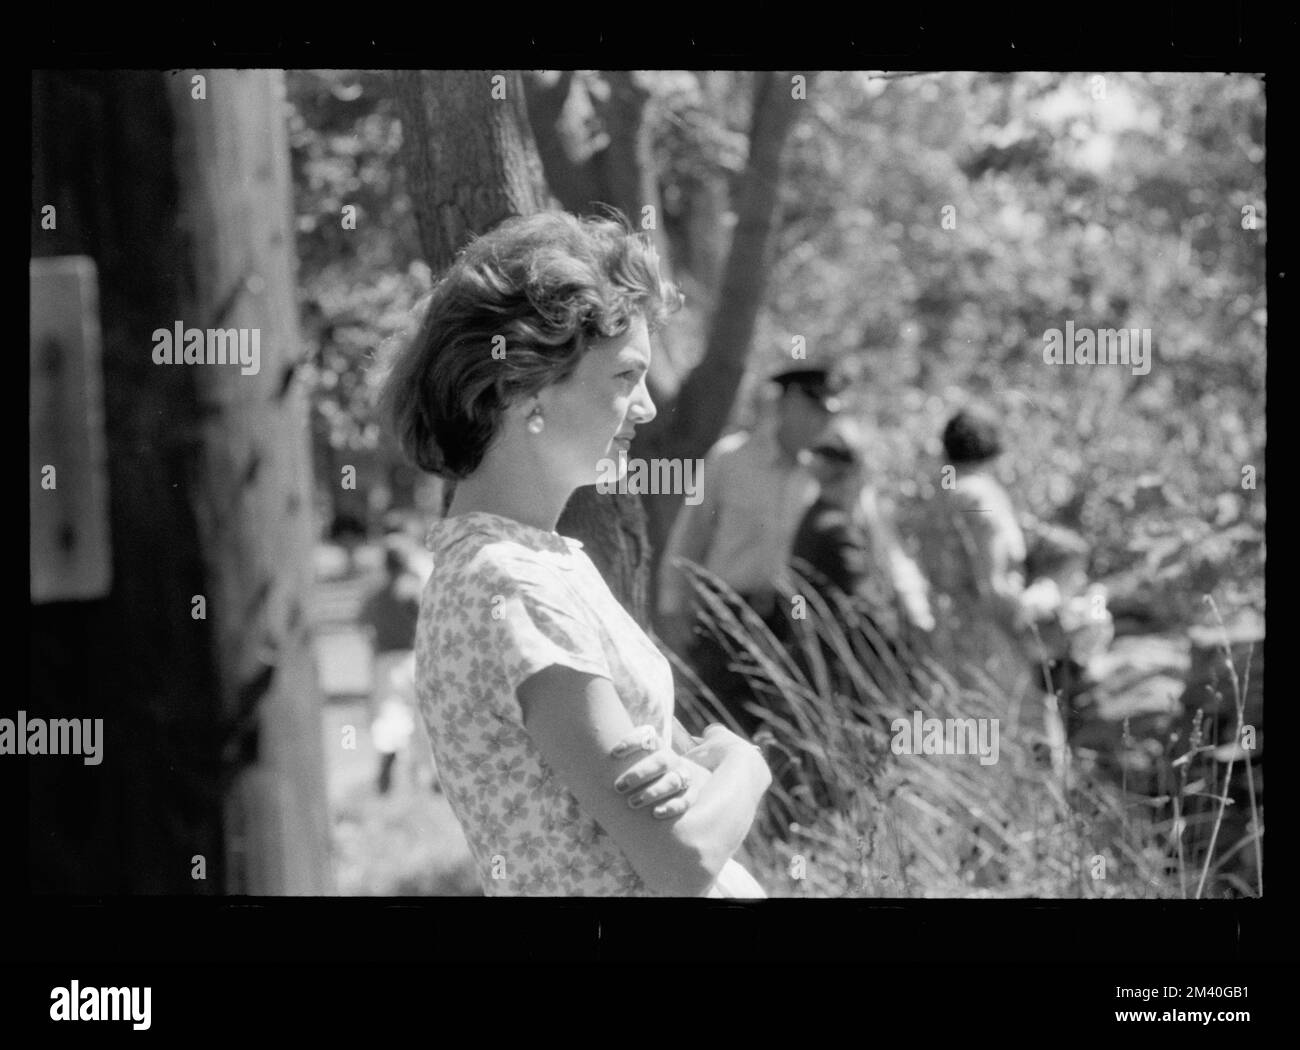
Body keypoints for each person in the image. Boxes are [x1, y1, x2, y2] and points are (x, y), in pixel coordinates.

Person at [376, 211, 771, 897]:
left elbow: (683, 776)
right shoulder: (509, 584)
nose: (645, 408)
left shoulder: (539, 562)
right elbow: (681, 857)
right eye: (625, 377)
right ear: (522, 384)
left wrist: (708, 776)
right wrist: (749, 764)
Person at [655, 366, 842, 737]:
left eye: (829, 415)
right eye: (815, 410)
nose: (822, 423)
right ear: (788, 404)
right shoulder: (731, 459)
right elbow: (691, 533)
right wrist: (673, 605)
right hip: (726, 613)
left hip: (793, 622)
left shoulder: (825, 470)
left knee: (785, 736)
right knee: (717, 727)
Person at [916, 405, 1056, 752]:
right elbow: (992, 588)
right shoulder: (980, 495)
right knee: (1025, 742)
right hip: (991, 644)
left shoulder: (940, 491)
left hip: (945, 636)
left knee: (964, 743)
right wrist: (1045, 607)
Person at [357, 543, 427, 794]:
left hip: (385, 660)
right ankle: (426, 778)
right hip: (410, 658)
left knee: (390, 718)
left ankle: (388, 775)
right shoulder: (408, 587)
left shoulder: (375, 591)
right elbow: (425, 619)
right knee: (419, 719)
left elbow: (361, 621)